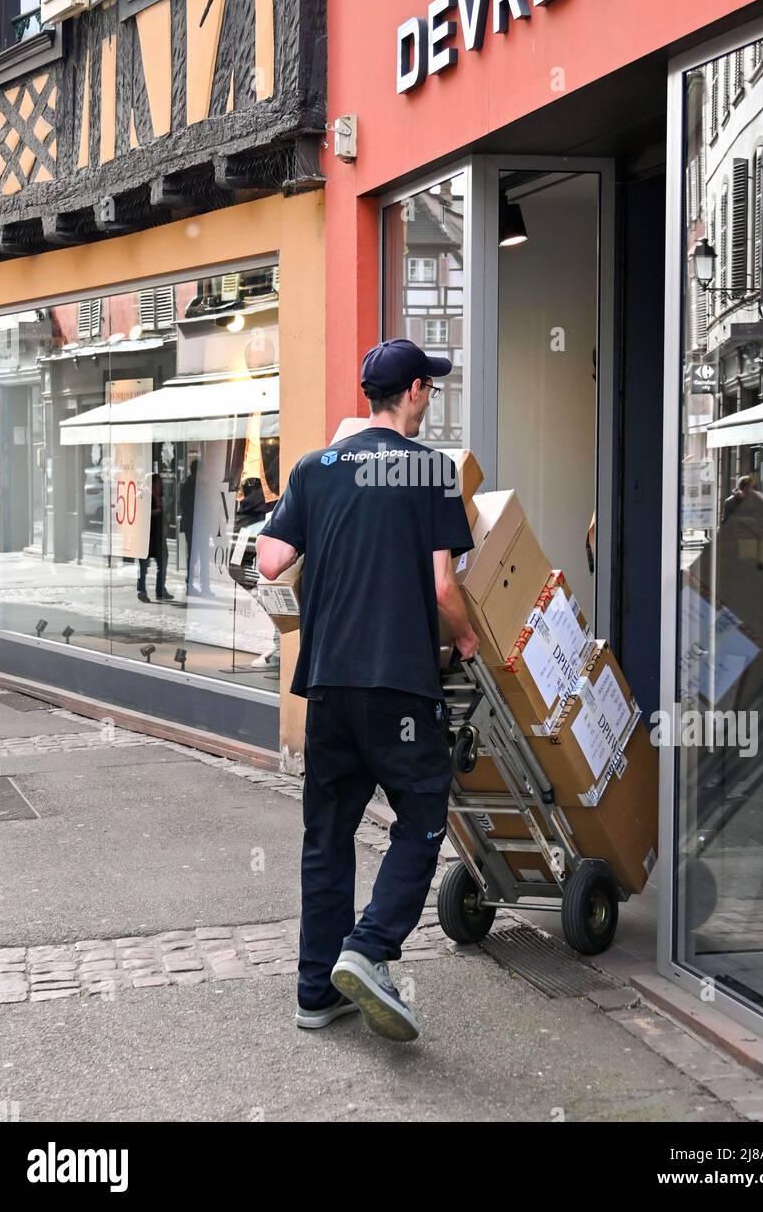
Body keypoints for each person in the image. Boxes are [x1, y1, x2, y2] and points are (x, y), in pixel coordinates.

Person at [256, 338, 479, 1042]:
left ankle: (315, 994)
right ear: (413, 391)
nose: (430, 397)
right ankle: (372, 945)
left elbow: (268, 563)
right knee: (420, 818)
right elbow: (444, 587)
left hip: (325, 684)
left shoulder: (315, 467)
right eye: (430, 387)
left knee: (326, 838)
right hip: (400, 687)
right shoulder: (432, 472)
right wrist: (468, 639)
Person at [137, 472, 172, 602]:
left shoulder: (157, 496)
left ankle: (160, 590)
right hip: (146, 537)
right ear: (152, 483)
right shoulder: (143, 494)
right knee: (143, 566)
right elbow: (139, 513)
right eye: (158, 482)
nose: (161, 485)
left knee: (162, 563)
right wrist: (153, 512)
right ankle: (141, 591)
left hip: (158, 536)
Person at [179, 459, 211, 596]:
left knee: (204, 556)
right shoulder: (188, 486)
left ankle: (204, 587)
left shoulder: (202, 485)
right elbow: (188, 507)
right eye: (202, 471)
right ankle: (190, 586)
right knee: (193, 557)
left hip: (201, 526)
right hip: (192, 526)